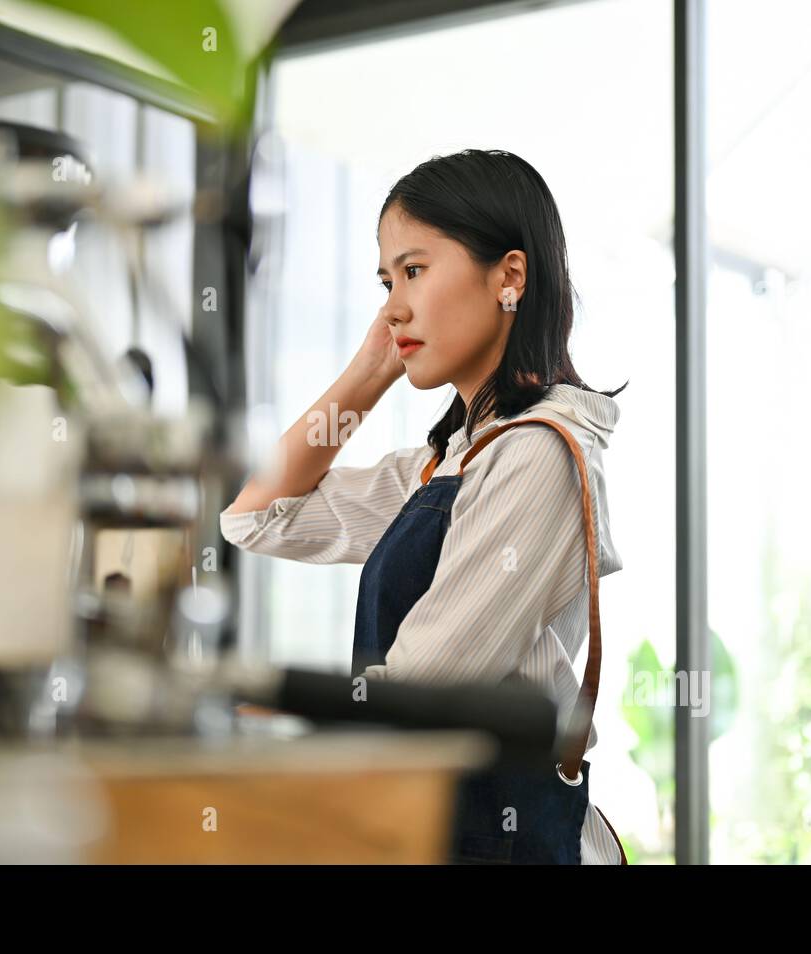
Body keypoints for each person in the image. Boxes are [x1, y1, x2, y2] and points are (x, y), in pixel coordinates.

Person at [221, 149, 628, 865]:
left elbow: (415, 690)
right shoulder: (451, 460)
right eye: (385, 282)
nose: (393, 305)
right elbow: (256, 515)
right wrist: (371, 370)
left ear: (509, 276)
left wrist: (274, 708)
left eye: (414, 270)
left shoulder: (538, 456)